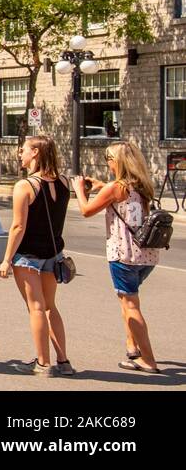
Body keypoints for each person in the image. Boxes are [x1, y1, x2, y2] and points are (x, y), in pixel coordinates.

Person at [74, 142, 164, 374]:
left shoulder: (115, 187)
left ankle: (148, 359)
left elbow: (86, 210)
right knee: (127, 300)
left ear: (117, 162)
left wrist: (79, 191)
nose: (108, 163)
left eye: (109, 159)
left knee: (131, 305)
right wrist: (102, 185)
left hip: (123, 254)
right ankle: (132, 347)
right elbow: (123, 197)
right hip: (147, 255)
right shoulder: (142, 185)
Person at [0, 135, 74, 377]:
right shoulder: (63, 182)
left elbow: (18, 227)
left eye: (24, 150)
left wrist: (7, 259)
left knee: (36, 308)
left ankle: (42, 363)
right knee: (50, 307)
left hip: (28, 256)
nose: (20, 153)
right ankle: (63, 361)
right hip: (53, 254)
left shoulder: (25, 186)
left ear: (36, 154)